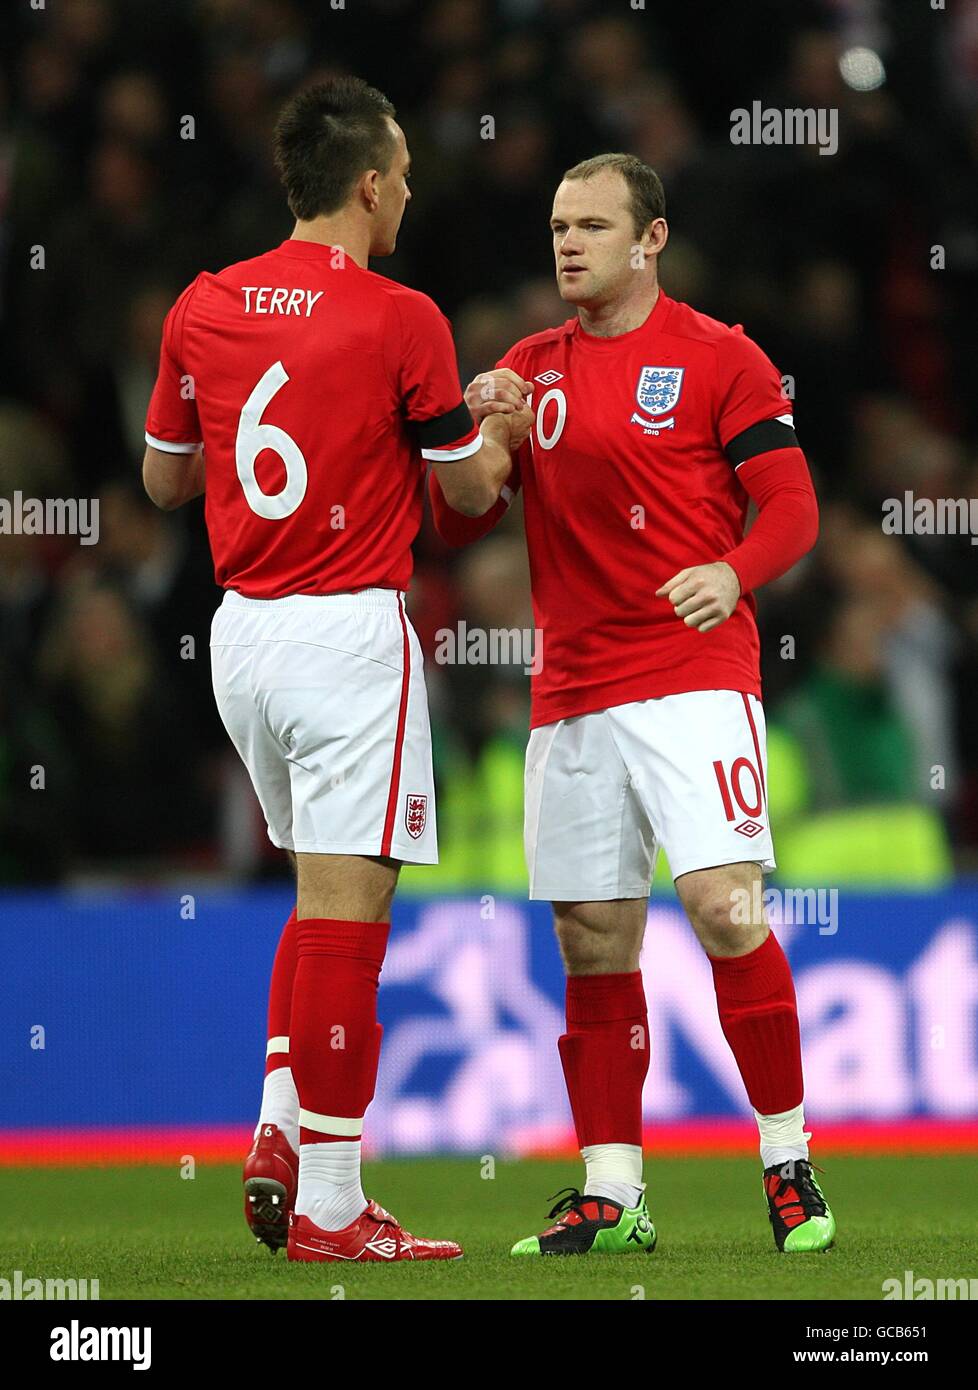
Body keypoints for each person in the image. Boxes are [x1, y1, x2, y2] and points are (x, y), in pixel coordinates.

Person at [142, 77, 529, 1264]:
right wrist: (494, 428)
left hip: (242, 636)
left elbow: (164, 482)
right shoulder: (400, 316)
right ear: (369, 183)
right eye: (403, 174)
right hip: (351, 632)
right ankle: (331, 1201)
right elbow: (465, 496)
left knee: (319, 900)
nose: (409, 190)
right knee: (354, 915)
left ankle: (275, 1123)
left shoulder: (201, 303)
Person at [429, 152, 831, 1256]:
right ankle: (612, 1192)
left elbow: (793, 508)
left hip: (694, 676)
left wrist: (733, 571)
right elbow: (461, 522)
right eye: (559, 225)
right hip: (571, 693)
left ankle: (788, 1162)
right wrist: (481, 433)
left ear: (650, 239)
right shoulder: (527, 368)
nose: (568, 244)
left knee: (721, 905)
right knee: (593, 936)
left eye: (595, 226)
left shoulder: (721, 357)